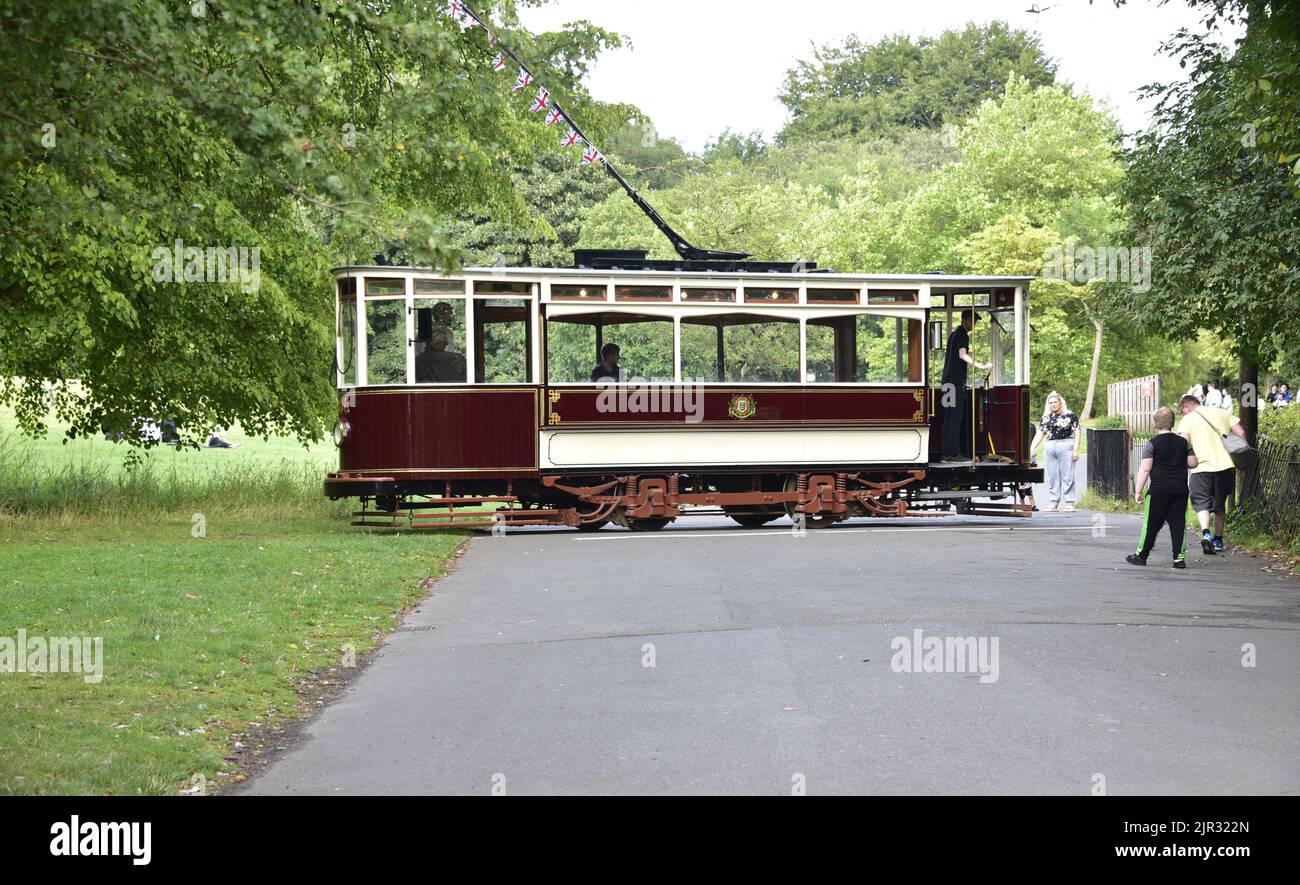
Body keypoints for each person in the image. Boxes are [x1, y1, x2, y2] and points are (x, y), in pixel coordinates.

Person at [1127, 407, 1197, 569]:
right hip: (1180, 490)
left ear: (1154, 424)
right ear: (1173, 423)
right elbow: (1193, 463)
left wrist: (1138, 491)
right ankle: (1179, 559)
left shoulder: (1152, 444)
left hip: (1158, 491)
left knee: (1151, 524)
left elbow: (1145, 468)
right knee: (1178, 524)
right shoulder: (1184, 442)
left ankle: (1141, 555)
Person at [1177, 393, 1247, 555]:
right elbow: (1241, 433)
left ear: (1187, 407)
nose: (1183, 414)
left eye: (1182, 411)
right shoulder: (1222, 412)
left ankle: (1206, 533)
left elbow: (1183, 443)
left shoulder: (1188, 419)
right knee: (1219, 504)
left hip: (1201, 467)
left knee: (1201, 503)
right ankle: (1218, 539)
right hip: (1225, 465)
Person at [939, 309, 992, 462]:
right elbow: (963, 355)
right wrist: (981, 365)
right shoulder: (962, 335)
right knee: (955, 419)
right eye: (973, 321)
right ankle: (955, 454)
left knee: (948, 418)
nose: (974, 325)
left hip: (946, 383)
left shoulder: (953, 335)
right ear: (967, 320)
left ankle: (946, 453)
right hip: (955, 384)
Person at [1031, 391, 1080, 511]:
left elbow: (1077, 431)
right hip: (1050, 445)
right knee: (1052, 475)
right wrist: (1032, 447)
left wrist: (1075, 449)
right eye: (1051, 402)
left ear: (1060, 402)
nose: (1053, 404)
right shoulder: (1046, 417)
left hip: (1065, 444)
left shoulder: (1069, 415)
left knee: (1067, 475)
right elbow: (1040, 432)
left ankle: (1069, 502)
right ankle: (1054, 501)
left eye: (1055, 402)